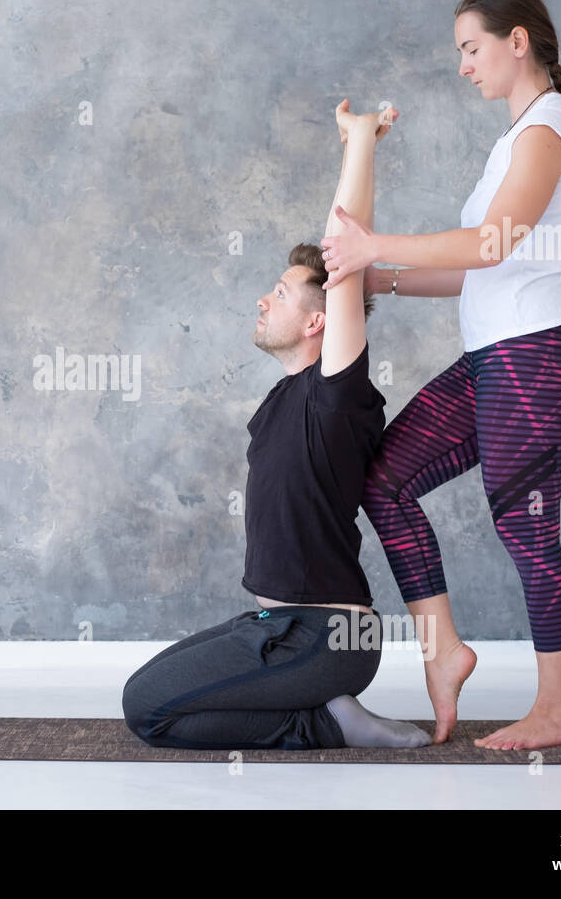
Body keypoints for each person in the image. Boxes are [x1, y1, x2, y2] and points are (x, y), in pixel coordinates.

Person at [318, 0, 561, 751]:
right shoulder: (515, 141)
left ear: (516, 41)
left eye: (470, 48)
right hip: (495, 363)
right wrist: (383, 279)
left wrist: (379, 248)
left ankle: (557, 710)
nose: (463, 65)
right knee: (386, 480)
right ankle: (445, 654)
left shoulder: (548, 128)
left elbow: (492, 243)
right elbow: (475, 266)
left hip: (535, 362)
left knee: (528, 533)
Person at [121, 101, 430, 751]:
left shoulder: (335, 396)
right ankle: (328, 715)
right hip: (276, 622)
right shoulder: (281, 402)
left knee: (146, 710)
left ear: (321, 320)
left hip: (328, 638)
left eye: (284, 294)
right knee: (149, 693)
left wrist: (360, 141)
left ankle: (328, 721)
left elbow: (344, 250)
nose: (265, 298)